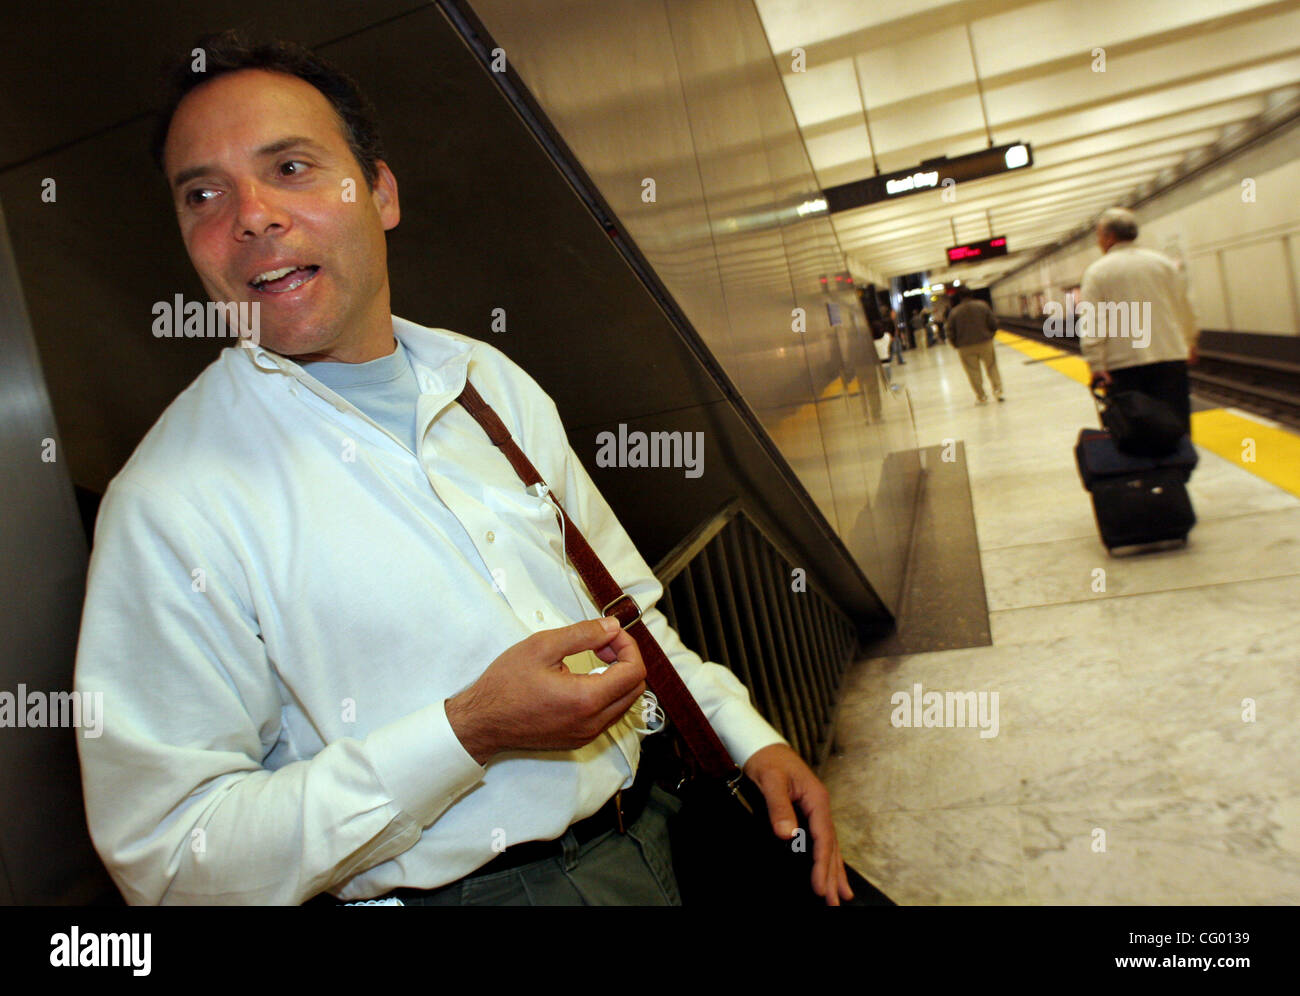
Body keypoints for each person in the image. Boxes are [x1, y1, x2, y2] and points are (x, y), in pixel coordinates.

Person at [73, 32, 853, 906]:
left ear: (380, 191)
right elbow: (172, 858)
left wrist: (751, 738)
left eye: (290, 168)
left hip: (648, 842)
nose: (249, 215)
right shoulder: (171, 503)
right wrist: (467, 734)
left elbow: (626, 612)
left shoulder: (486, 382)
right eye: (203, 195)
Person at [1078, 207, 1199, 432]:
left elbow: (1093, 322)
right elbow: (1183, 307)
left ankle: (1146, 467)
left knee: (1135, 433)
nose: (1098, 242)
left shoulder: (1097, 272)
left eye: (1099, 236)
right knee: (1176, 426)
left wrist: (1096, 363)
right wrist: (1189, 341)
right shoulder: (1162, 264)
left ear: (1109, 237)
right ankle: (1178, 467)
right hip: (1169, 359)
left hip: (1123, 367)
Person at [945, 286, 1003, 404]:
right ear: (971, 294)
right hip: (985, 342)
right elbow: (993, 322)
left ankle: (981, 396)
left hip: (965, 347)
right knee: (992, 367)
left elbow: (950, 331)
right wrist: (990, 335)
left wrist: (955, 344)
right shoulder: (982, 305)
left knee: (973, 371)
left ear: (959, 297)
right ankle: (998, 391)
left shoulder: (954, 312)